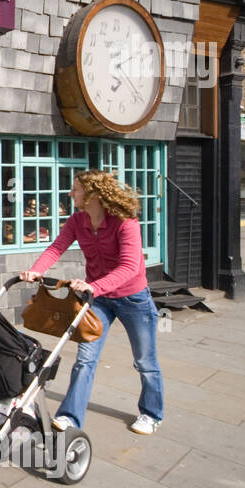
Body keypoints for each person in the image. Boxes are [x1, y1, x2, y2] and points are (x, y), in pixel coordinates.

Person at [19, 169, 164, 435]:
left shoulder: (125, 223)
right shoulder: (77, 221)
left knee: (145, 361)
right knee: (85, 359)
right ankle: (71, 416)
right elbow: (56, 248)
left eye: (75, 189)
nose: (70, 193)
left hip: (133, 298)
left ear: (93, 195)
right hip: (98, 299)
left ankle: (151, 413)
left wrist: (93, 286)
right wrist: (37, 270)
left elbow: (131, 267)